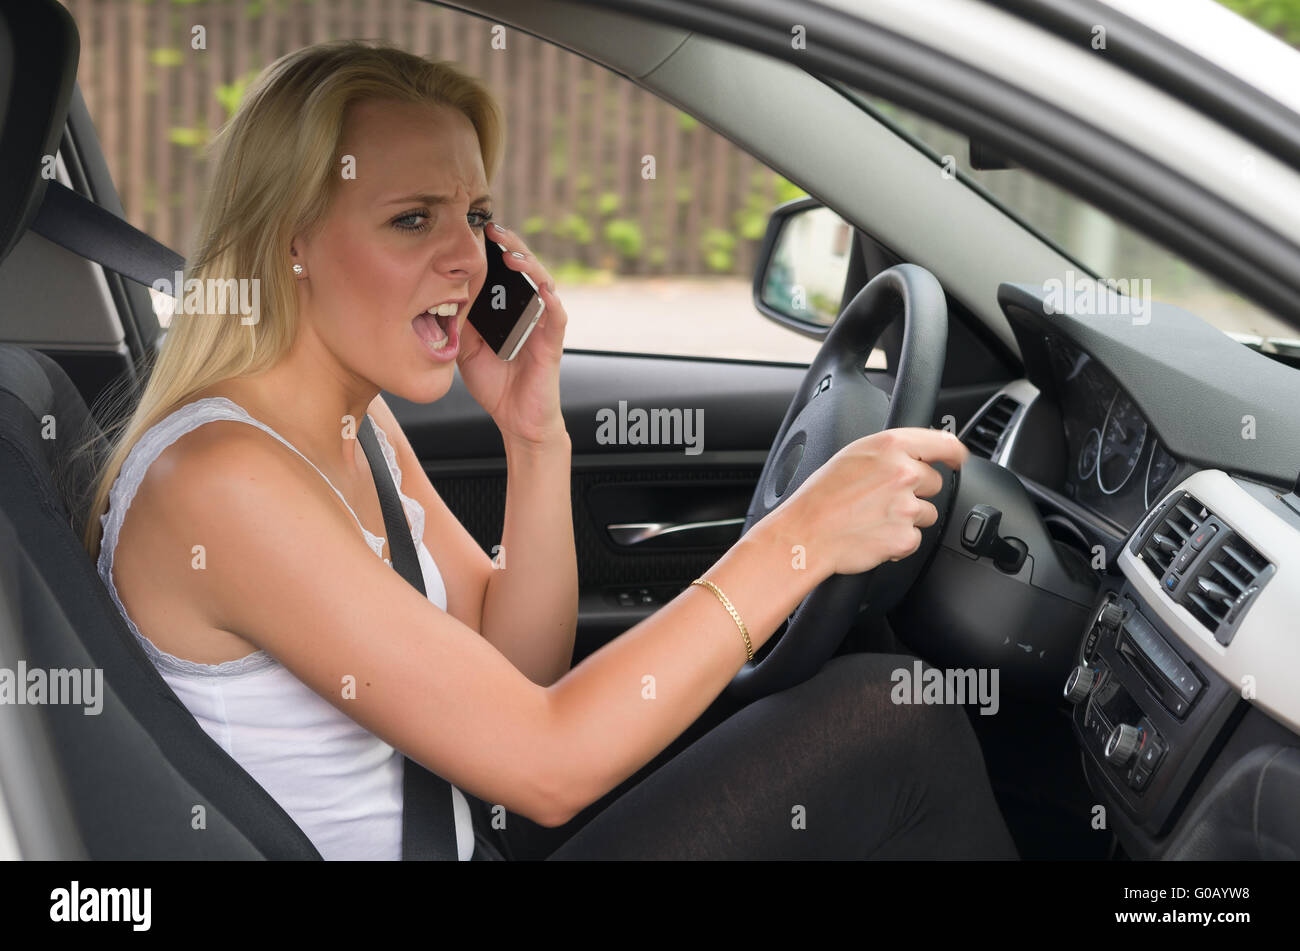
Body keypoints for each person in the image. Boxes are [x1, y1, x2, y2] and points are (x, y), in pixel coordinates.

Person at [82, 40, 1017, 861]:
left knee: (883, 717)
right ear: (288, 244)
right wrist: (802, 538)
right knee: (892, 721)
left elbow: (518, 663)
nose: (468, 258)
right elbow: (546, 760)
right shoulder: (219, 482)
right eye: (415, 218)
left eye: (478, 217)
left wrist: (535, 437)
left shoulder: (354, 424)